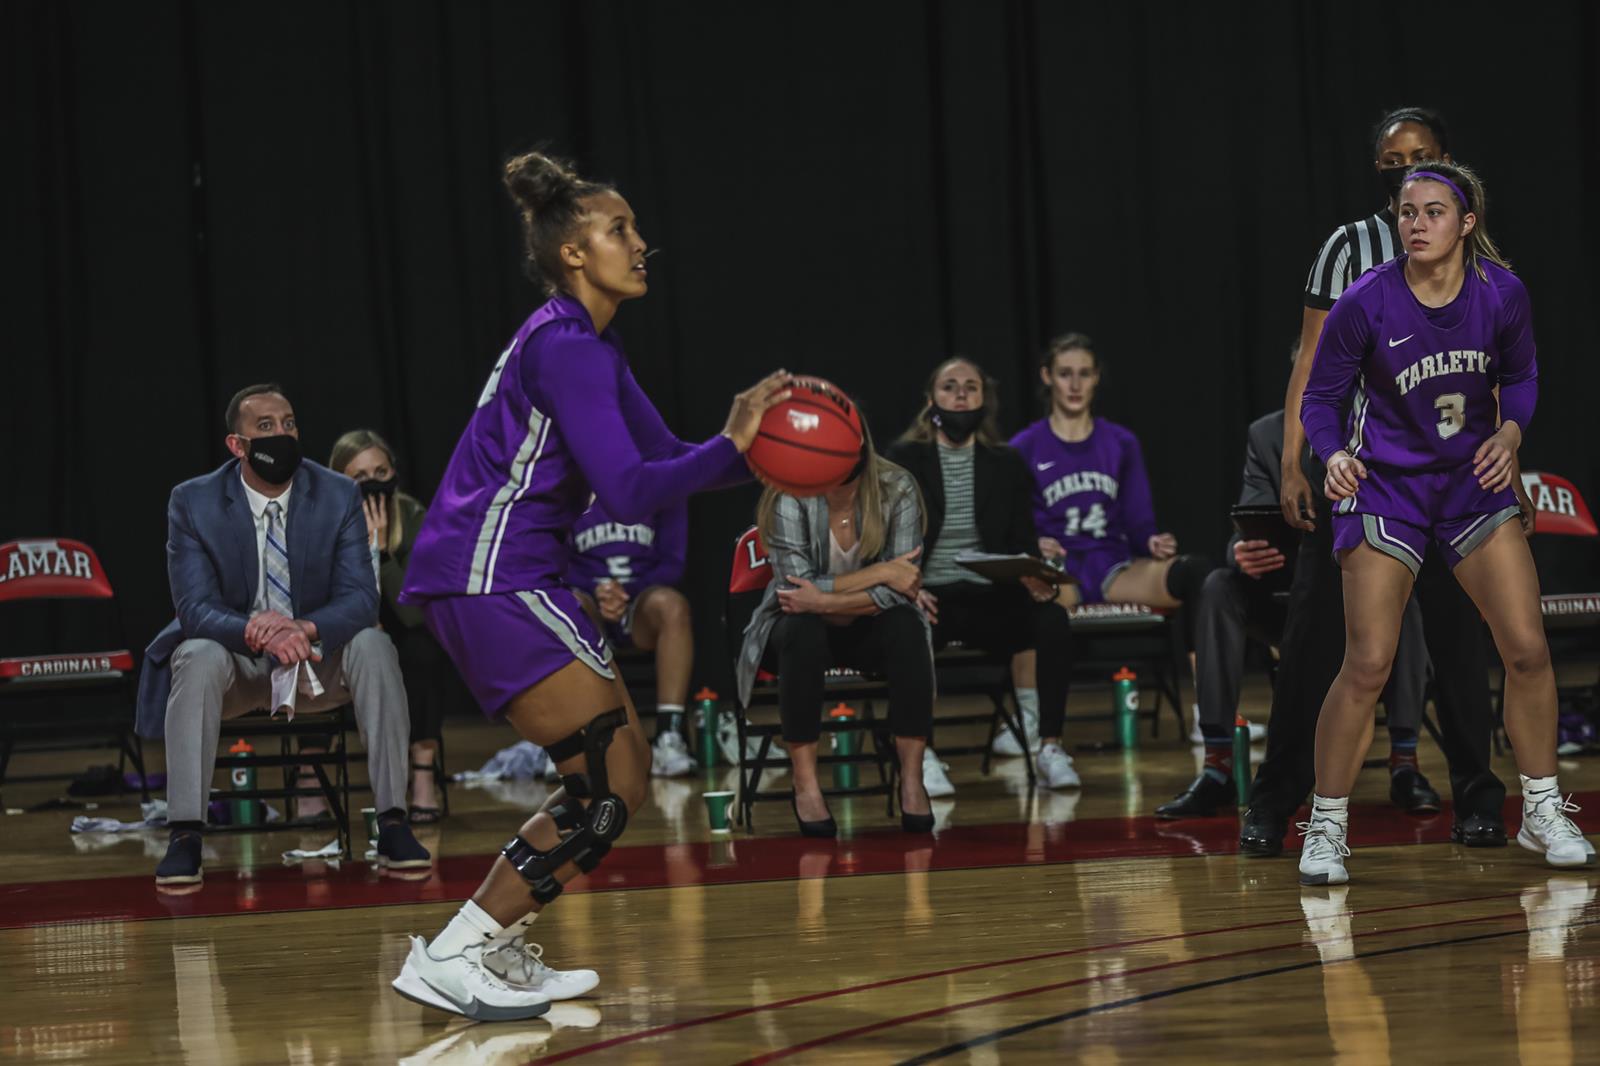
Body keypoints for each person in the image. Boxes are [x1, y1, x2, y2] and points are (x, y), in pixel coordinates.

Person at [388, 150, 789, 1020]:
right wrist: (737, 441)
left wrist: (752, 444)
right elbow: (632, 491)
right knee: (614, 782)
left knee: (613, 783)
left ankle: (477, 947)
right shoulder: (569, 349)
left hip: (497, 576)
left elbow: (671, 461)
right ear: (573, 252)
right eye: (620, 230)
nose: (641, 244)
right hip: (492, 576)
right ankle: (457, 950)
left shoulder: (584, 346)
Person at [1295, 160, 1592, 884]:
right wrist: (1331, 456)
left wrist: (1511, 436)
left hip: (1471, 486)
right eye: (1406, 212)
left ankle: (1543, 809)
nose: (1417, 224)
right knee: (1367, 662)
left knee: (1526, 649)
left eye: (1433, 212)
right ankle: (1325, 825)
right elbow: (1319, 399)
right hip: (1386, 489)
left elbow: (1520, 377)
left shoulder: (1501, 294)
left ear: (1467, 223)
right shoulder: (1366, 300)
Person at [1241, 107, 1525, 857]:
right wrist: (1297, 461)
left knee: (1463, 645)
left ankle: (1478, 796)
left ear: (1449, 166)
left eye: (1423, 156)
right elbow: (1311, 365)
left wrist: (1508, 461)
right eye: (1394, 161)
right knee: (1320, 647)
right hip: (1365, 478)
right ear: (1379, 173)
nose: (1408, 169)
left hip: (1457, 481)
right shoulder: (1350, 250)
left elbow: (1491, 368)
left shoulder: (1474, 259)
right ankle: (1279, 801)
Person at [137, 385, 431, 886]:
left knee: (376, 645)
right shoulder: (194, 501)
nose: (282, 434)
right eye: (266, 427)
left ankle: (394, 822)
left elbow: (362, 597)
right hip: (239, 662)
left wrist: (303, 627)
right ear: (237, 445)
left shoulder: (338, 493)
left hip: (317, 659)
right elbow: (194, 607)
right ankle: (186, 833)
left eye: (289, 423)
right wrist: (260, 632)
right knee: (196, 653)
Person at [1155, 400, 1433, 818]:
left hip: (1357, 593)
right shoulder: (1266, 434)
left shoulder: (1382, 421)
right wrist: (1240, 552)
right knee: (1217, 587)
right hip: (1286, 598)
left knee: (1403, 598)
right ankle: (1217, 767)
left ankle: (1405, 763)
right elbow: (1251, 517)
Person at [1010, 333, 1212, 755]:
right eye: (1065, 374)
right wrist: (1034, 544)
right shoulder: (1024, 447)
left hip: (1112, 565)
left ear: (1097, 378)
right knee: (1036, 600)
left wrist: (1153, 541)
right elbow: (1011, 525)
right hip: (1059, 569)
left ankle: (1209, 715)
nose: (1075, 384)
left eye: (1084, 374)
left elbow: (1139, 520)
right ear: (1047, 377)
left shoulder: (1120, 442)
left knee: (1196, 574)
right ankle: (1031, 726)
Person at [885, 356, 1079, 791]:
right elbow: (886, 541)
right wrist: (906, 587)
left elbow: (1020, 540)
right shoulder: (903, 458)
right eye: (950, 386)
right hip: (928, 592)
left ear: (984, 399)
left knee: (1052, 620)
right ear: (931, 399)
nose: (960, 395)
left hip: (989, 591)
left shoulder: (1005, 462)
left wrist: (1032, 573)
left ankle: (1050, 745)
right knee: (906, 628)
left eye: (970, 387)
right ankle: (919, 756)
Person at [735, 419, 937, 836]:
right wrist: (879, 572)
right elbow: (795, 589)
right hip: (795, 623)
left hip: (870, 622)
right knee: (803, 630)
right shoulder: (788, 494)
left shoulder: (896, 488)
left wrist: (828, 599)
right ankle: (805, 782)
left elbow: (903, 590)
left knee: (908, 626)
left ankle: (912, 778)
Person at [330, 429, 462, 822]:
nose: (373, 483)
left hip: (402, 637)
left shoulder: (412, 515)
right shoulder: (324, 520)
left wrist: (383, 552)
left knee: (426, 646)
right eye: (359, 476)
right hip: (345, 637)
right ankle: (308, 776)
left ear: (394, 473)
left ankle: (422, 773)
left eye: (380, 470)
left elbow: (413, 613)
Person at [566, 499, 698, 777]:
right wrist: (599, 589)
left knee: (672, 606)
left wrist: (624, 592)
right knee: (567, 604)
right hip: (591, 604)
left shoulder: (663, 475)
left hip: (640, 604)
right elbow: (555, 559)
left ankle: (668, 737)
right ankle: (575, 740)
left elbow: (673, 562)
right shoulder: (568, 481)